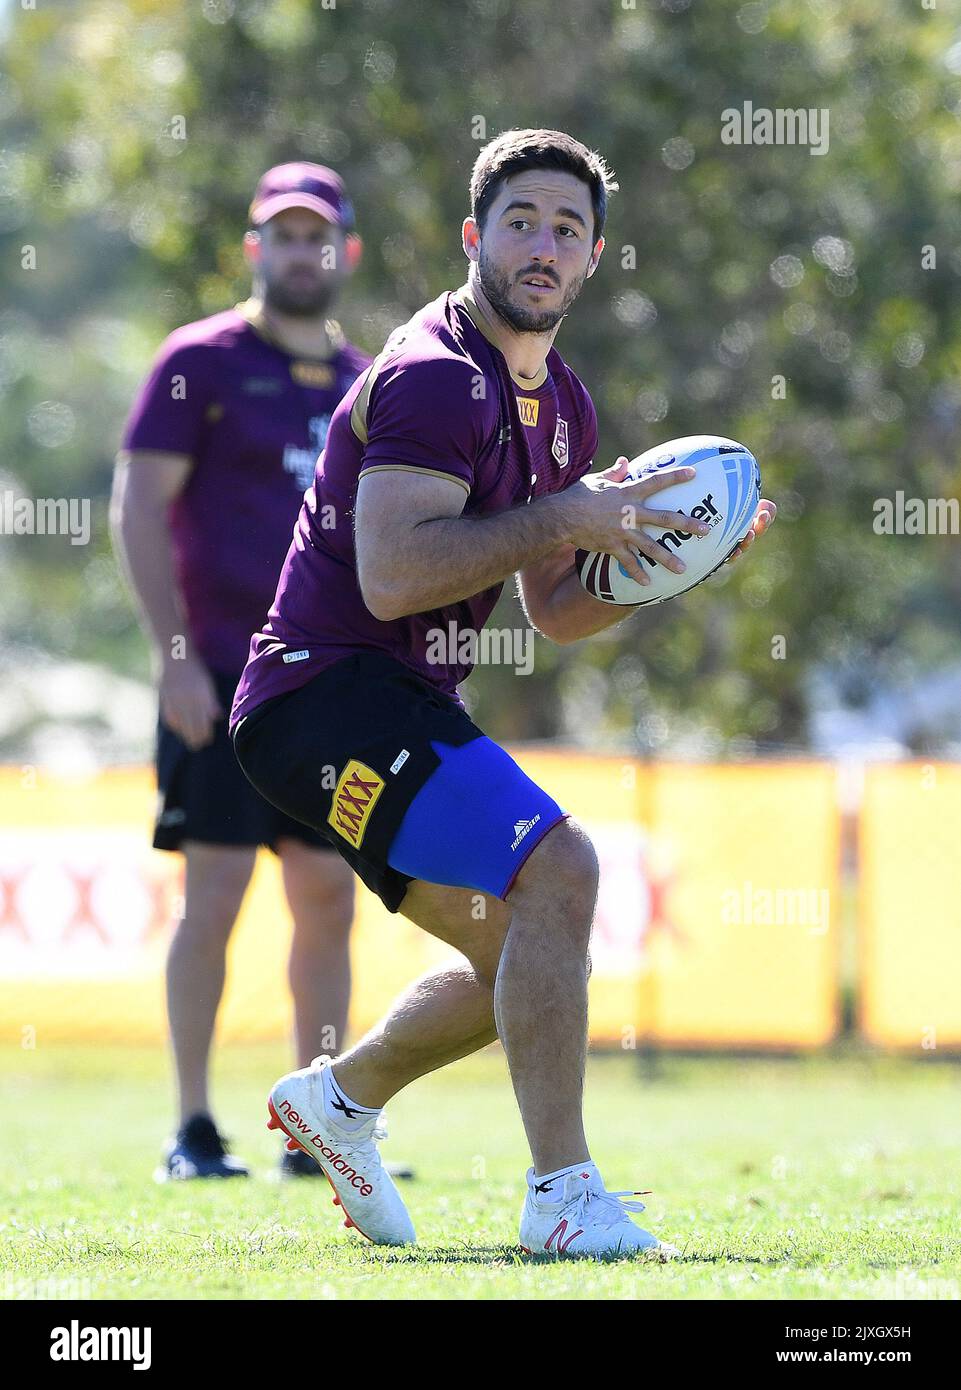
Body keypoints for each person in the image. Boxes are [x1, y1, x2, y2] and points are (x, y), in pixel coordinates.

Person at [230, 130, 776, 1253]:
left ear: (592, 258)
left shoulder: (564, 403)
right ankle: (563, 1195)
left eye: (567, 230)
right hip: (323, 693)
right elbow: (391, 577)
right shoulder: (435, 374)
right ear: (475, 237)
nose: (543, 245)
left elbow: (557, 609)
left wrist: (666, 568)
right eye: (521, 221)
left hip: (383, 700)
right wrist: (572, 517)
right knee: (563, 865)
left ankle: (338, 1099)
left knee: (530, 945)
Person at [111, 163, 370, 1181]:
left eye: (317, 236)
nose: (299, 252)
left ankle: (320, 1125)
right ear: (253, 249)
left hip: (325, 692)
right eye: (281, 235)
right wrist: (172, 656)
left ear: (343, 253)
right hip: (216, 674)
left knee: (329, 897)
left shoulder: (367, 378)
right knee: (212, 892)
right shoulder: (199, 362)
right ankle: (194, 1126)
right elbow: (136, 505)